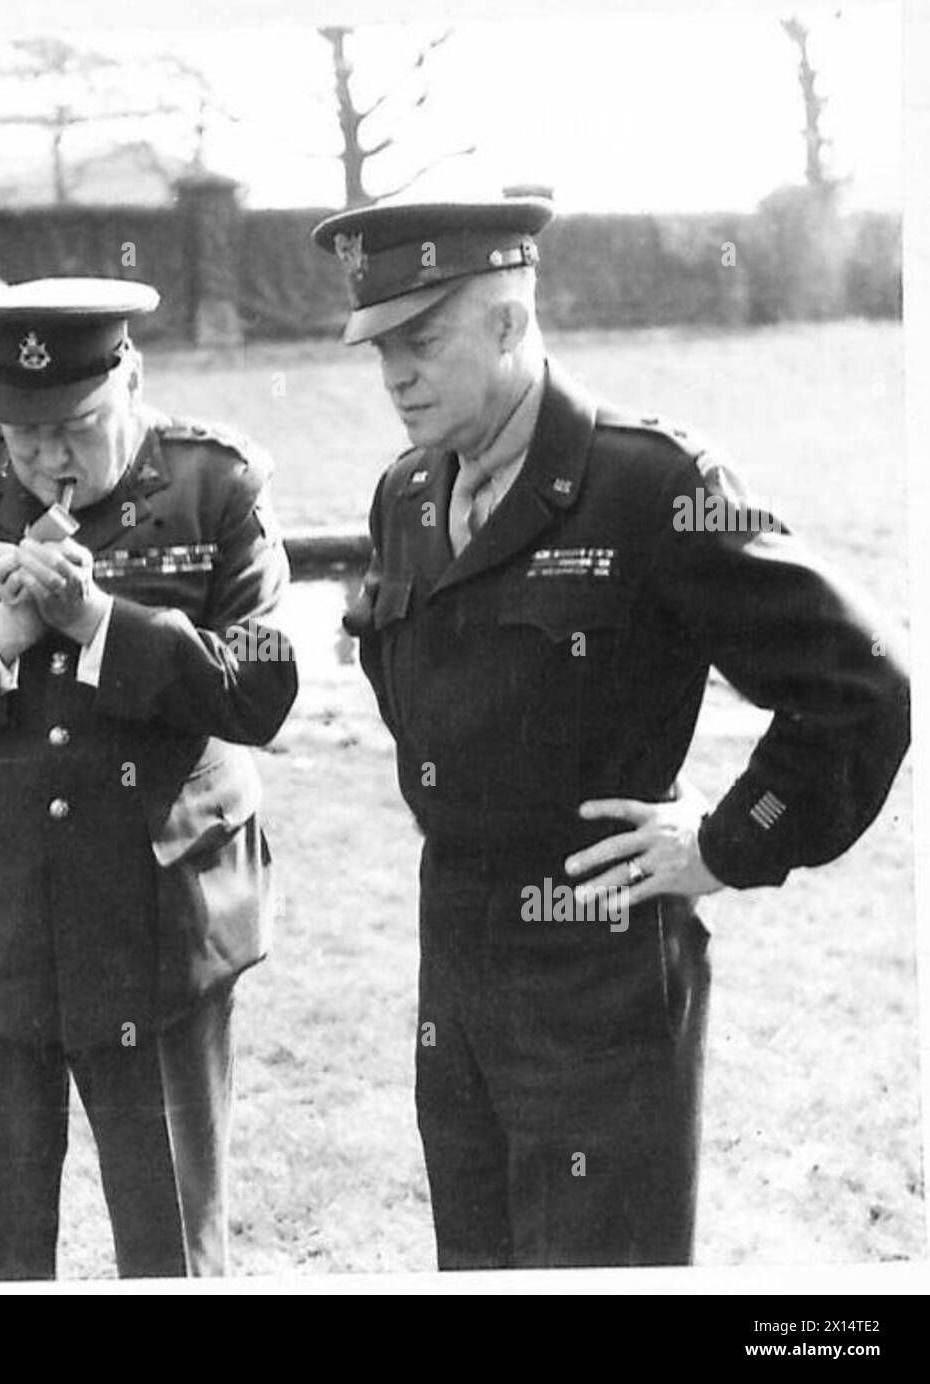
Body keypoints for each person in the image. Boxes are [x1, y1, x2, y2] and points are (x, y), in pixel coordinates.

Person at [312, 192, 910, 1270]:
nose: (393, 374)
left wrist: (727, 846)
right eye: (378, 349)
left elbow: (860, 685)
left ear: (506, 321)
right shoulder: (405, 494)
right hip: (455, 967)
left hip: (600, 976)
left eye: (420, 339)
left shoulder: (650, 485)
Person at [0, 277, 298, 1280]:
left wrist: (103, 625)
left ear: (131, 377)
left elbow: (260, 690)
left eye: (77, 427)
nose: (49, 457)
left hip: (158, 929)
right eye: (22, 433)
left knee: (169, 1243)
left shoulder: (213, 483)